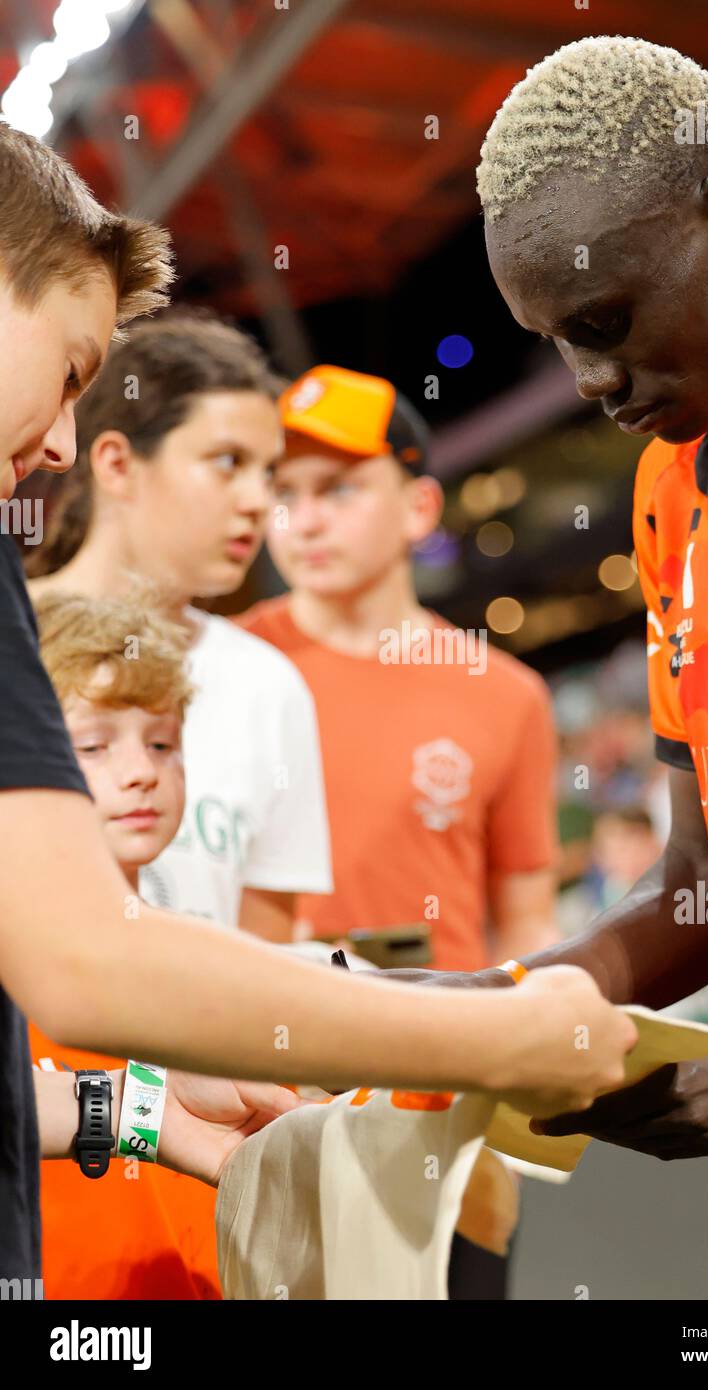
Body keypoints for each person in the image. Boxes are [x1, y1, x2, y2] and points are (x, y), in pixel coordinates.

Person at [0, 119, 637, 1286]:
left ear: (416, 504)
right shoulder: (73, 618)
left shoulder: (316, 686)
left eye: (316, 483)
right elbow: (81, 958)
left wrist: (130, 1108)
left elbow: (296, 939)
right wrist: (500, 1033)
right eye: (72, 370)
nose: (58, 441)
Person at [410, 34, 708, 1301]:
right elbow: (704, 889)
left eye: (602, 325)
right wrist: (479, 1012)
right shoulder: (673, 489)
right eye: (552, 339)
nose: (588, 381)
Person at [238, 364, 563, 1295]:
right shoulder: (214, 674)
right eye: (281, 491)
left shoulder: (506, 699)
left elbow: (528, 924)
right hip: (261, 1101)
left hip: (445, 1111)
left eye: (338, 488)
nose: (303, 518)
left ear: (420, 507)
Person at [27, 309, 332, 939]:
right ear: (115, 463)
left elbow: (263, 968)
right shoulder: (15, 640)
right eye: (227, 461)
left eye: (267, 472)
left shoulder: (268, 688)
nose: (257, 500)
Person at [30, 585, 249, 1300]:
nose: (140, 771)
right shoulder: (21, 966)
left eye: (163, 743)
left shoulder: (202, 963)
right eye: (94, 745)